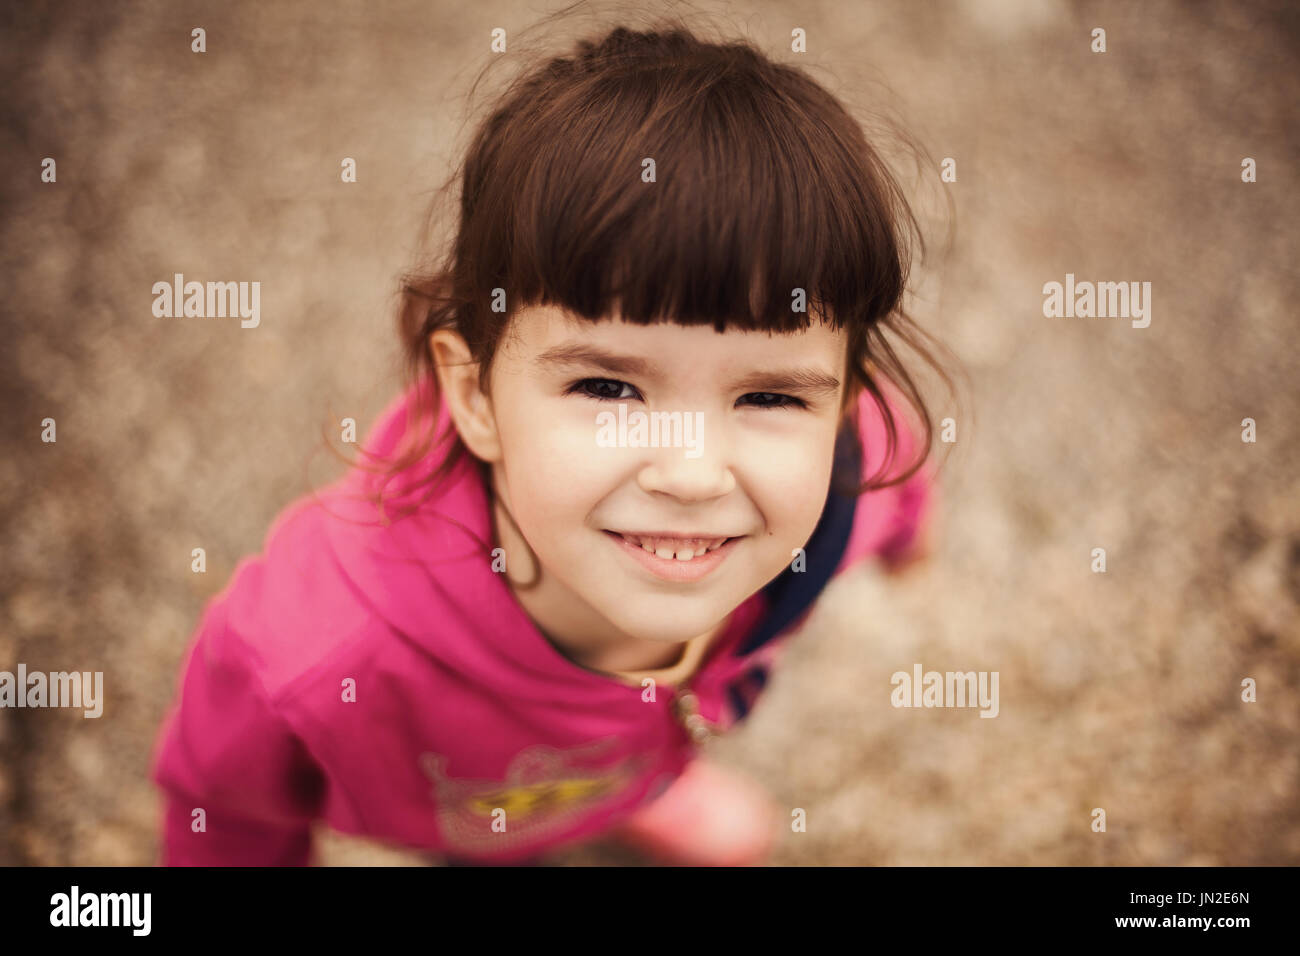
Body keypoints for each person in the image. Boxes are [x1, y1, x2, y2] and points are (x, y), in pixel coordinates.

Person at [150, 22, 950, 866]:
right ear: (475, 397)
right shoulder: (322, 654)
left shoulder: (847, 488)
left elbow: (894, 468)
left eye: (767, 395)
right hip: (459, 802)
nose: (689, 473)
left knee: (614, 755)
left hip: (632, 746)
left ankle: (640, 786)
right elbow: (221, 807)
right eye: (608, 387)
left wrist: (909, 538)